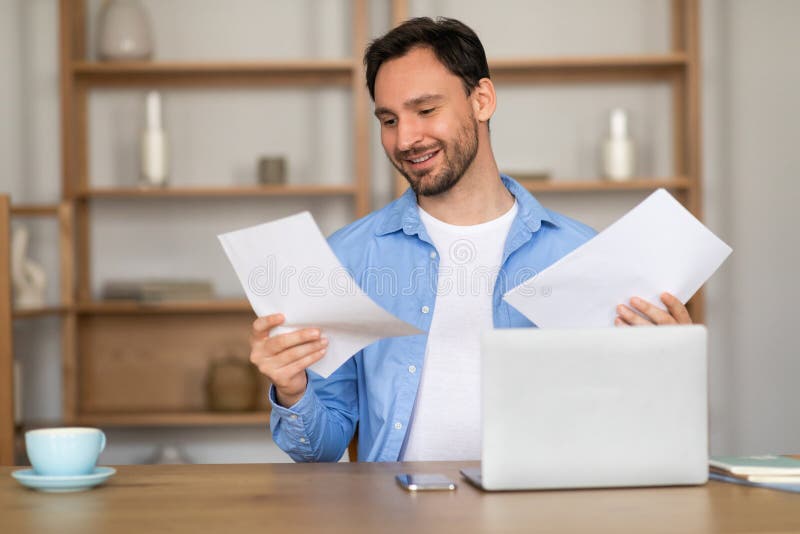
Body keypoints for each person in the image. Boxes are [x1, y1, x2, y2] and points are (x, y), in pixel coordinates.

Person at [249, 17, 692, 463]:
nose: (405, 139)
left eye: (425, 111)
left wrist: (666, 367)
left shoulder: (582, 254)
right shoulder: (348, 255)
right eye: (388, 119)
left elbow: (621, 427)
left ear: (482, 100)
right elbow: (320, 449)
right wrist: (293, 390)